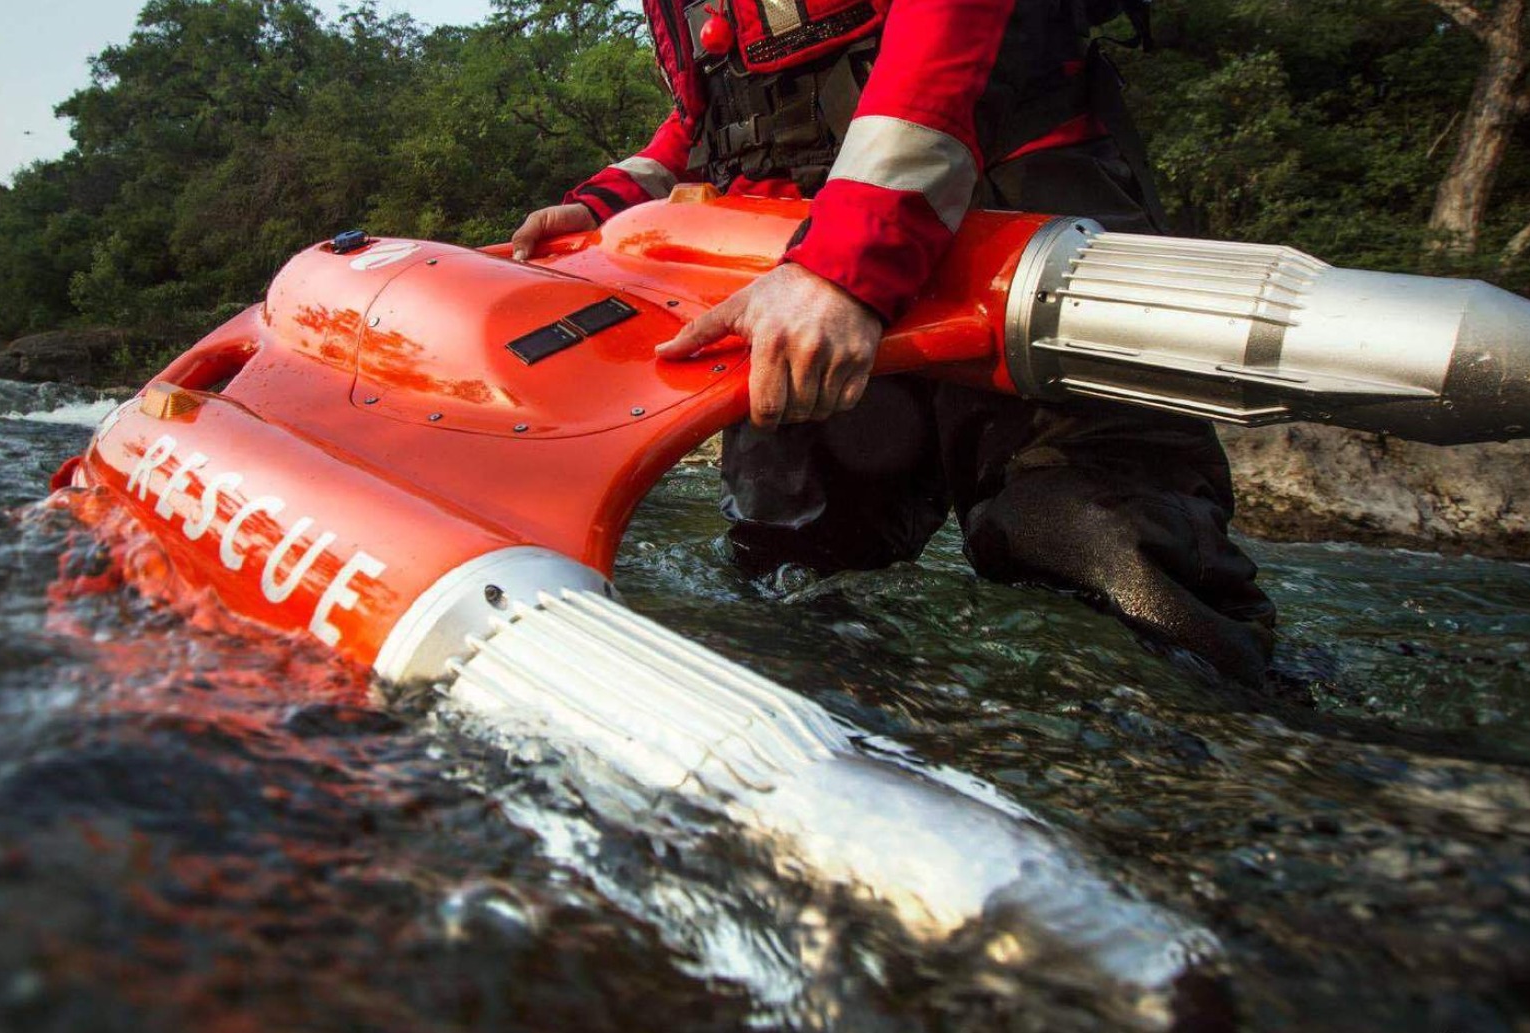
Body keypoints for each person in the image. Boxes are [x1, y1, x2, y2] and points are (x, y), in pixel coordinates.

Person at [510, 0, 1277, 686]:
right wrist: (613, 201)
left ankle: (1232, 780)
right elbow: (709, 112)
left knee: (1100, 541)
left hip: (1014, 218)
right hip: (792, 263)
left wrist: (847, 261)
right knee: (793, 575)